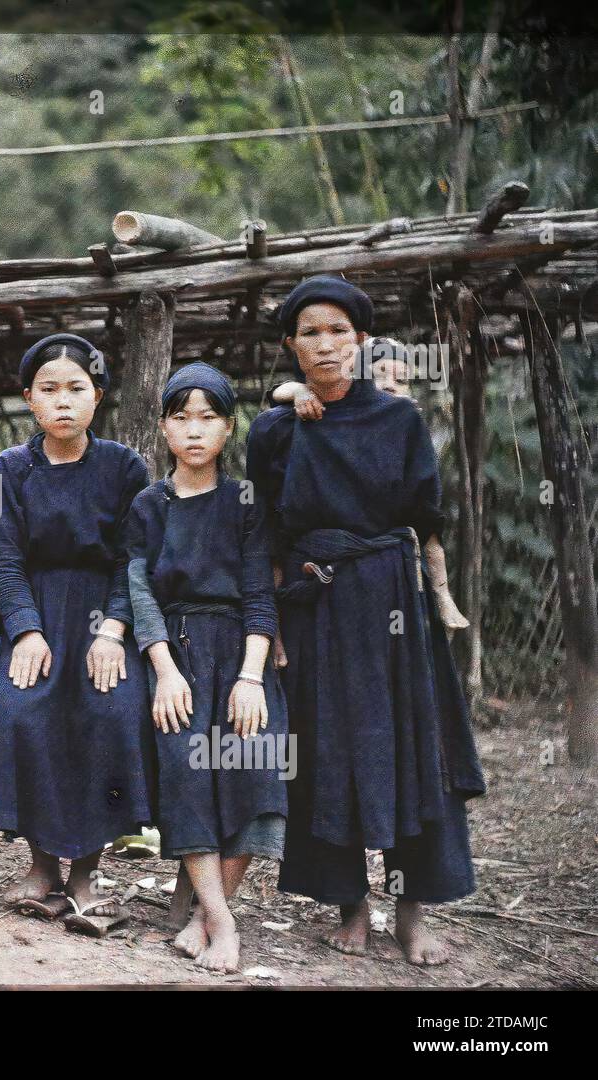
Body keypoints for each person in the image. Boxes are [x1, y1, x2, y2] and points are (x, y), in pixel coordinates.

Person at [247, 274, 485, 965]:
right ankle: (350, 906)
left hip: (391, 601)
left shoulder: (398, 420)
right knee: (327, 750)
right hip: (314, 602)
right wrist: (274, 628)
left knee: (411, 746)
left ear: (360, 340)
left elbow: (425, 519)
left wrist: (439, 598)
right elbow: (266, 535)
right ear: (291, 345)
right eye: (311, 333)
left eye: (339, 332)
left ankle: (410, 914)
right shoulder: (273, 430)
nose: (326, 345)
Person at [0, 333, 154, 937]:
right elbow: (3, 559)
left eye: (76, 389)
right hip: (35, 610)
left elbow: (134, 557)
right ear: (29, 399)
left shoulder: (123, 467)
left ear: (97, 397)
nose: (63, 401)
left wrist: (114, 629)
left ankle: (85, 871)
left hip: (104, 614)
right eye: (49, 389)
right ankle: (41, 866)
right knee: (20, 711)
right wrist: (25, 631)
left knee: (110, 712)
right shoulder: (6, 469)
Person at [124, 362, 288, 973]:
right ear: (164, 427)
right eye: (181, 417)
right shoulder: (149, 504)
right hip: (176, 649)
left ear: (228, 427)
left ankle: (203, 914)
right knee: (188, 770)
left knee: (257, 765)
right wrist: (164, 669)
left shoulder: (245, 500)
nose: (194, 430)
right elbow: (140, 591)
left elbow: (259, 592)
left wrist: (252, 677)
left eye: (209, 417)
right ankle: (222, 921)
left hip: (240, 651)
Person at [268, 336, 469, 630]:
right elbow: (279, 392)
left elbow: (426, 513)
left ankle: (442, 594)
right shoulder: (326, 416)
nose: (390, 385)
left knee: (429, 522)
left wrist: (440, 589)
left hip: (392, 560)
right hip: (331, 558)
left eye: (401, 380)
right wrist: (301, 392)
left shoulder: (407, 427)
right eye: (379, 375)